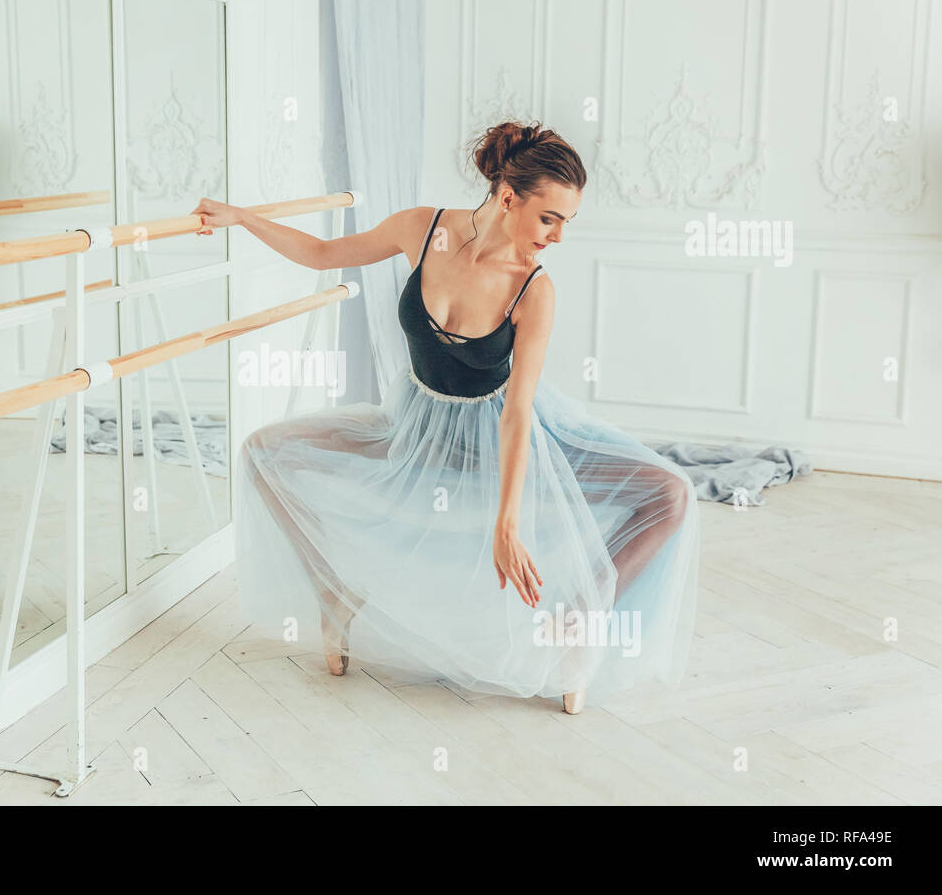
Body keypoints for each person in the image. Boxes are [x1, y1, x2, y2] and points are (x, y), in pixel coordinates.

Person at [193, 121, 700, 713]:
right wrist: (244, 218)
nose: (558, 236)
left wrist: (506, 523)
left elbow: (517, 414)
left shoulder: (533, 289)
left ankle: (578, 620)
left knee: (670, 495)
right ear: (509, 198)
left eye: (567, 223)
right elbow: (324, 254)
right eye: (548, 218)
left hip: (505, 440)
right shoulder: (422, 229)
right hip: (415, 432)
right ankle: (334, 592)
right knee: (264, 452)